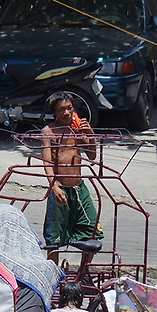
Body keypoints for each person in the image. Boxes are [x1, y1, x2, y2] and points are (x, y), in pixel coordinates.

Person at [41, 91, 100, 273]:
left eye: (69, 108)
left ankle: (83, 272)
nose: (66, 113)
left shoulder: (77, 129)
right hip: (60, 189)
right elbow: (47, 162)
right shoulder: (48, 132)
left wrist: (89, 133)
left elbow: (92, 155)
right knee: (54, 238)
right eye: (61, 109)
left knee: (92, 230)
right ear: (54, 112)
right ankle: (52, 275)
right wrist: (54, 185)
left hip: (79, 189)